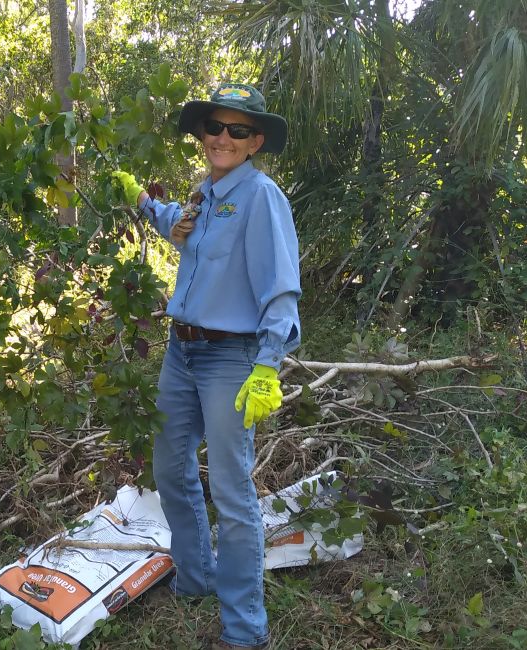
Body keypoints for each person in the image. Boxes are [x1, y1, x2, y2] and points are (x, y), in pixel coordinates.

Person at [111, 83, 301, 650]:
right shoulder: (204, 194)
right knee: (170, 468)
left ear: (255, 141)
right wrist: (143, 203)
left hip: (231, 359)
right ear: (201, 135)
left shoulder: (262, 197)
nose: (222, 137)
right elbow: (182, 226)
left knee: (232, 492)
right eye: (214, 128)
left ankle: (244, 630)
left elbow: (281, 289)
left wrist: (268, 365)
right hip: (181, 352)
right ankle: (197, 578)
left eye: (237, 130)